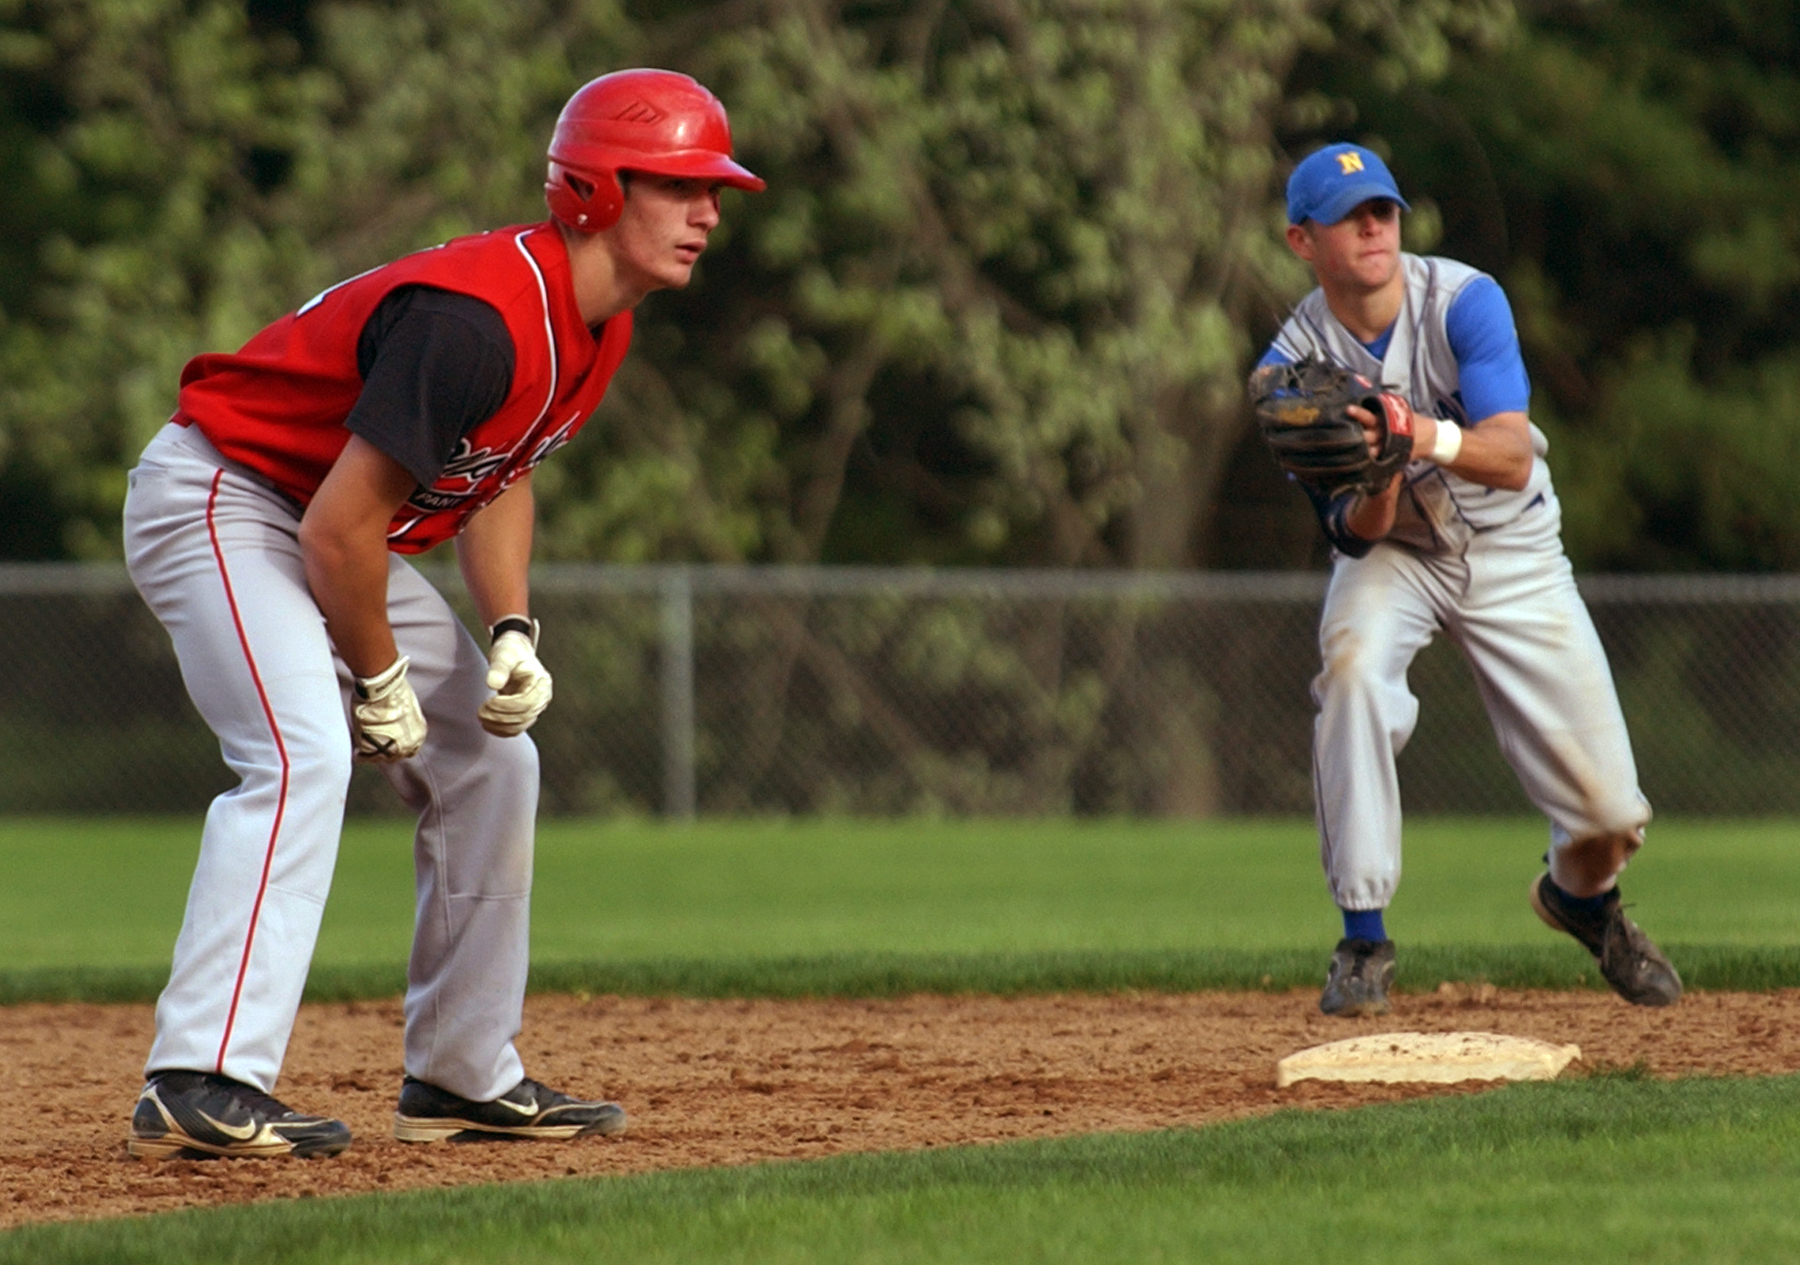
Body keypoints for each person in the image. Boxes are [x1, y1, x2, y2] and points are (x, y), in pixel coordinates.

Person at [121, 68, 764, 1159]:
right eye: (677, 183)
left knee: (492, 759)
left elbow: (500, 466)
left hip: (322, 520)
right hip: (228, 495)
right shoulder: (477, 318)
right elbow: (337, 530)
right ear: (595, 190)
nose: (707, 210)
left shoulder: (598, 324)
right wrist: (377, 682)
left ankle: (463, 1074)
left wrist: (510, 628)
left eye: (713, 188)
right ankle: (199, 1074)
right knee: (303, 751)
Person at [1258, 142, 1681, 1018]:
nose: (1373, 227)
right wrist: (1372, 471)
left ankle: (1581, 899)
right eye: (1349, 216)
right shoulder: (1289, 367)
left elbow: (1511, 456)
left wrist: (1411, 435)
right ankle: (1363, 936)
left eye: (1383, 209)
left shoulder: (1462, 300)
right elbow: (1354, 532)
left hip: (1509, 551)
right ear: (1304, 241)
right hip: (1395, 557)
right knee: (1350, 671)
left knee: (1609, 815)